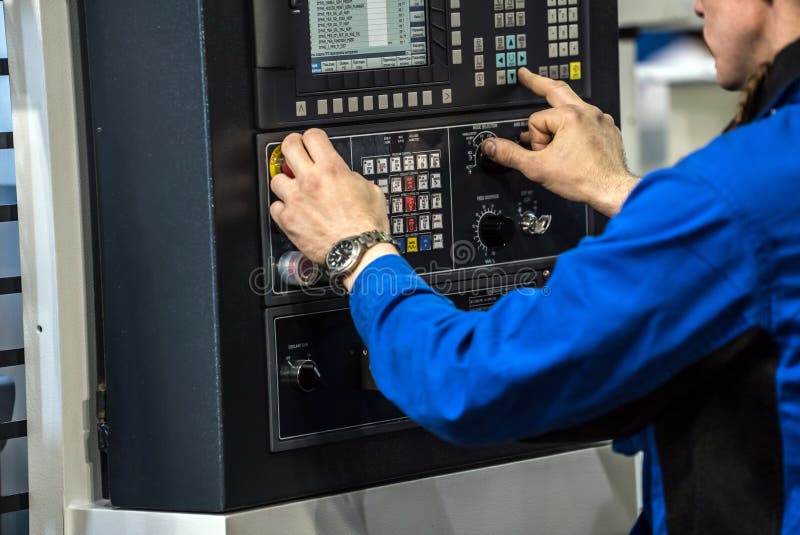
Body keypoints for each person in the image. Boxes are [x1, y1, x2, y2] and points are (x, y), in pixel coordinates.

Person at [268, 0, 800, 532]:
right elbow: (750, 254)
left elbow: (470, 383)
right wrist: (615, 187)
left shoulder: (735, 192)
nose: (697, 4)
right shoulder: (762, 178)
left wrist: (358, 249)